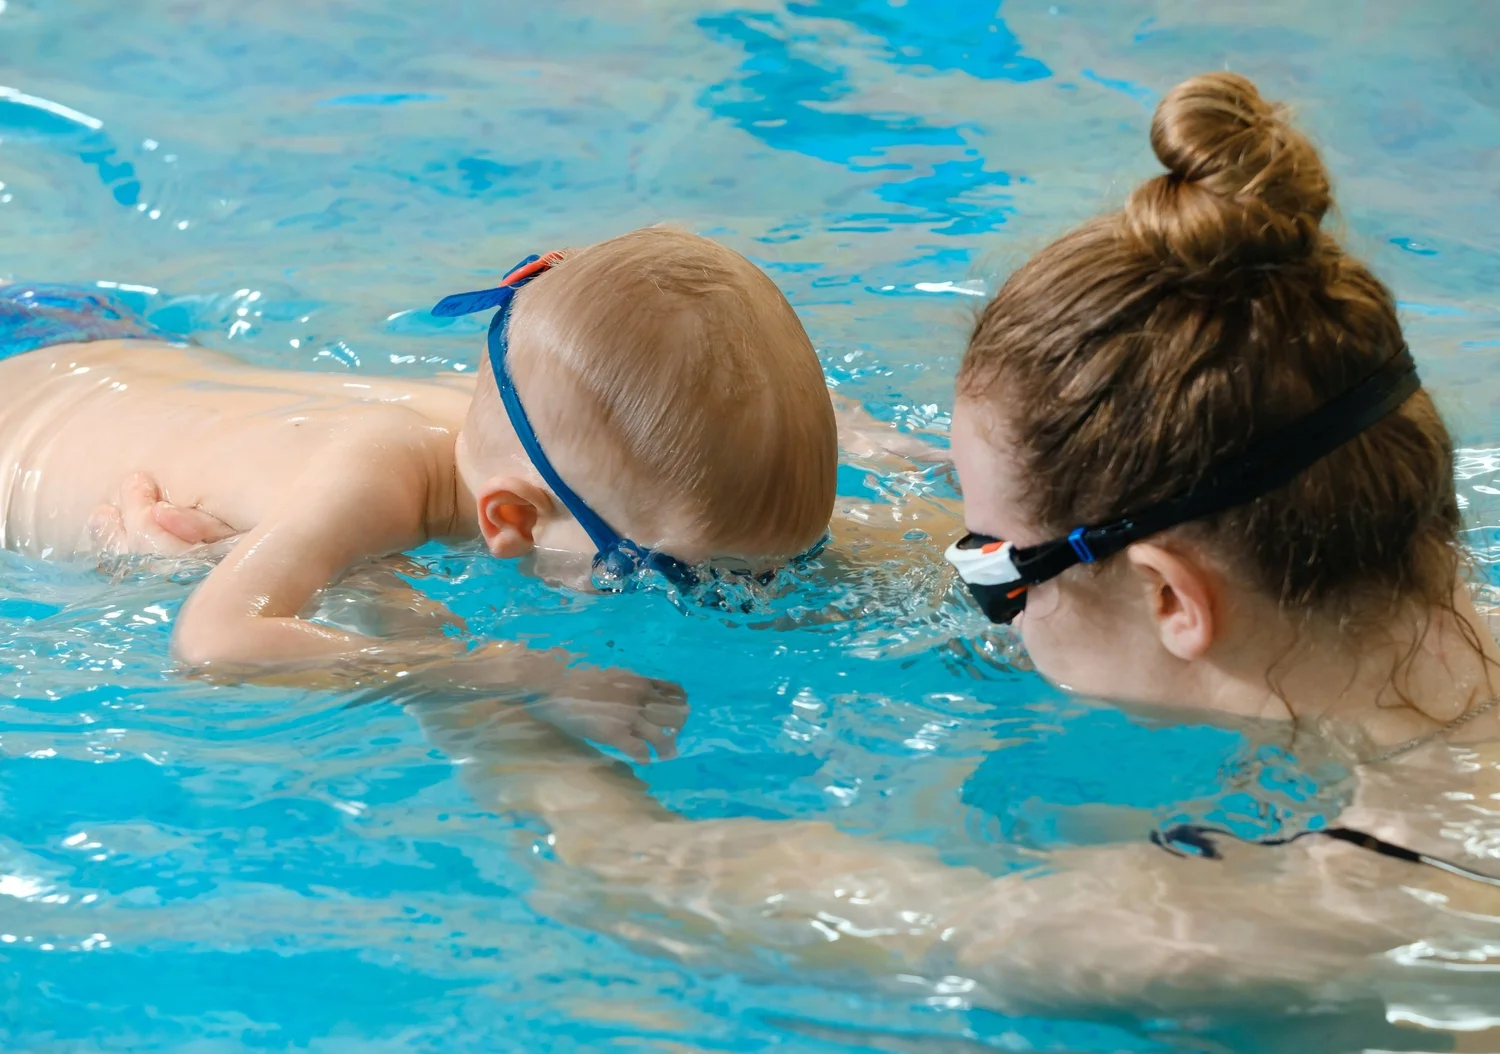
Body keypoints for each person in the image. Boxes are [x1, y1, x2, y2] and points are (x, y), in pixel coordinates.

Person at [411, 72, 1500, 1033]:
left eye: (996, 569)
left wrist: (440, 670)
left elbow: (632, 872)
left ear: (1174, 599)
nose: (974, 585)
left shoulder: (1249, 932)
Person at [0, 226, 842, 754]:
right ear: (510, 517)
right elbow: (216, 642)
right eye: (675, 576)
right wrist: (515, 673)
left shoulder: (523, 422)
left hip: (90, 334)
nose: (741, 600)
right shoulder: (374, 470)